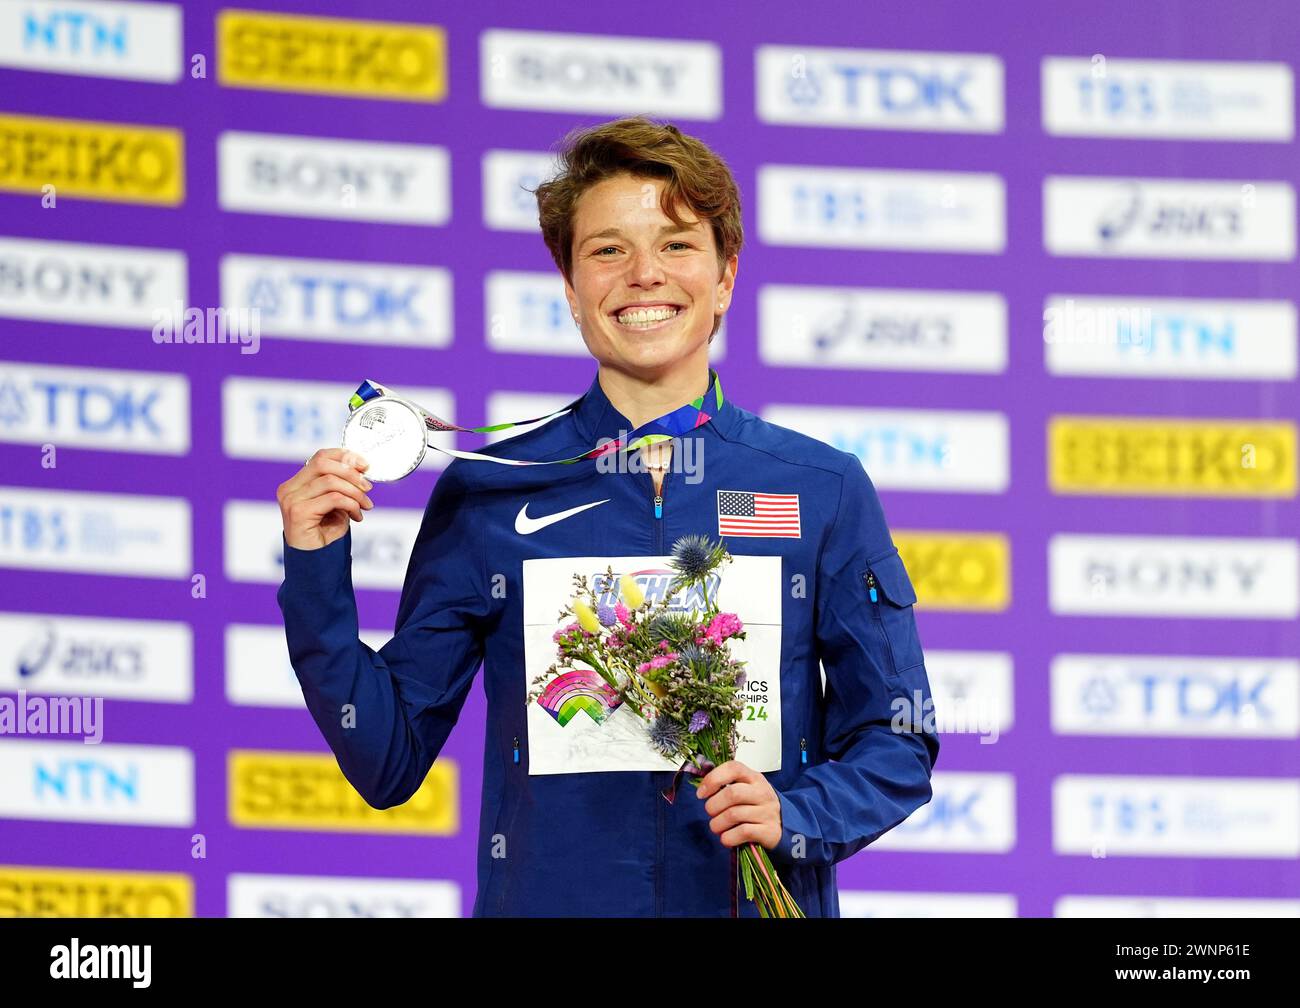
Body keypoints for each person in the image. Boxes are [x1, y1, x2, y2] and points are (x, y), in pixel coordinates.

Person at [275, 115, 939, 917]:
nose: (644, 275)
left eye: (677, 244)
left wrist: (796, 815)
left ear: (726, 276)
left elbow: (895, 746)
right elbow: (386, 761)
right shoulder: (495, 490)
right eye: (608, 250)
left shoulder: (820, 488)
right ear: (571, 286)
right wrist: (315, 568)